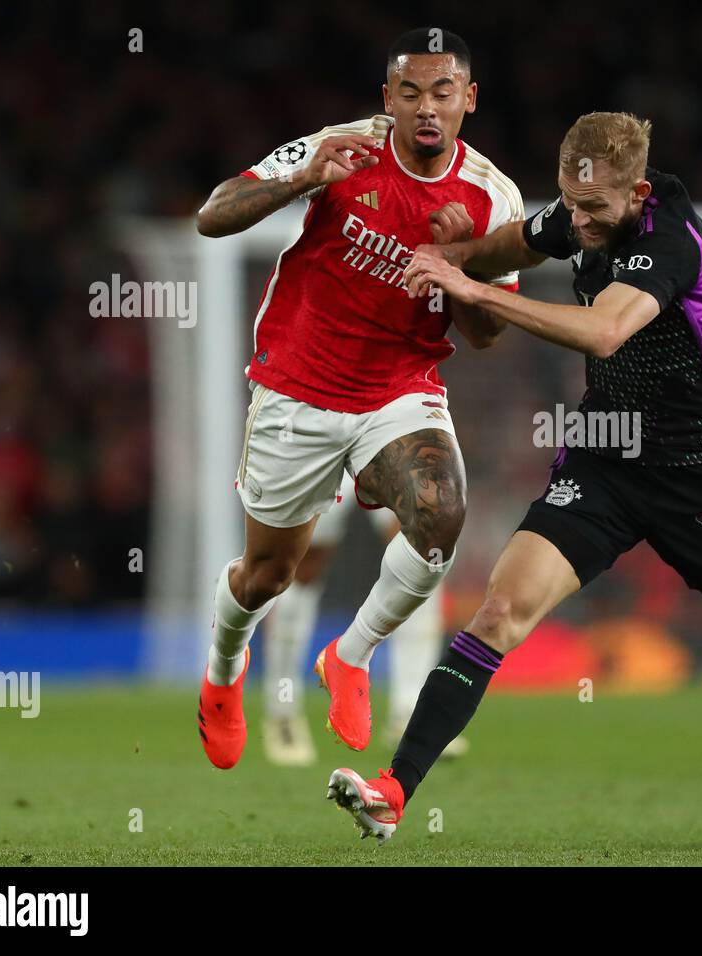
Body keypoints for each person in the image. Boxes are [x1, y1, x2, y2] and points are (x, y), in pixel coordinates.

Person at [324, 111, 702, 842]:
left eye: (594, 209)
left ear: (639, 193)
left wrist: (475, 289)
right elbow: (512, 240)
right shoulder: (582, 213)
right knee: (499, 612)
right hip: (606, 460)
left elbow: (605, 330)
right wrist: (450, 249)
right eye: (569, 201)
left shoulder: (669, 243)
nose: (577, 221)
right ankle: (395, 791)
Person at [193, 28, 522, 769]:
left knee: (440, 518)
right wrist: (302, 178)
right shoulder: (344, 147)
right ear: (388, 100)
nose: (426, 108)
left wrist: (461, 264)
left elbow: (489, 334)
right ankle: (222, 675)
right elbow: (213, 215)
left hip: (399, 392)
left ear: (469, 99)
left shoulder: (492, 199)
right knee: (268, 575)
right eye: (410, 93)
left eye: (442, 93)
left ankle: (350, 657)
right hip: (297, 388)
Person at [260, 472, 467, 766]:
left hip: (387, 439)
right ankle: (282, 712)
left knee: (421, 554)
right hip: (329, 440)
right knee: (304, 566)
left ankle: (410, 713)